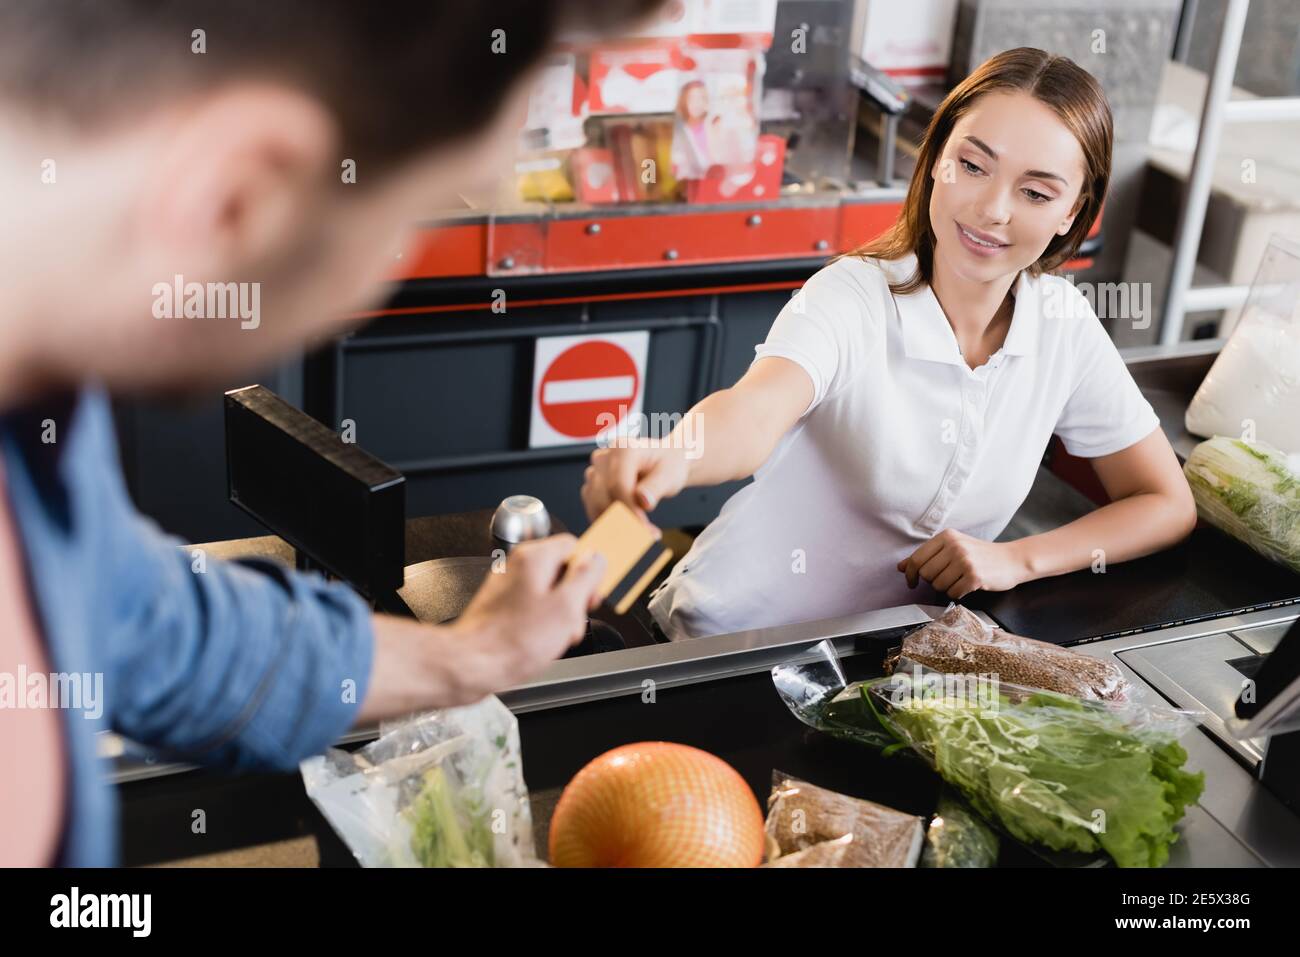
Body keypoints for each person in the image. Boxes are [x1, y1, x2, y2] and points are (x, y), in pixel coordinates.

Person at [0, 0, 665, 867]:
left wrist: (471, 655)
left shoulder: (41, 398)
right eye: (410, 216)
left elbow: (136, 618)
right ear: (235, 200)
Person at [581, 47, 1198, 641]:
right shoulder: (852, 296)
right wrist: (675, 456)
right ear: (936, 161)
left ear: (1074, 213)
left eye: (1035, 192)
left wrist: (1017, 560)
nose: (991, 209)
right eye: (973, 165)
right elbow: (753, 412)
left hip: (885, 671)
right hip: (725, 644)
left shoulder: (1063, 327)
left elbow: (1165, 503)